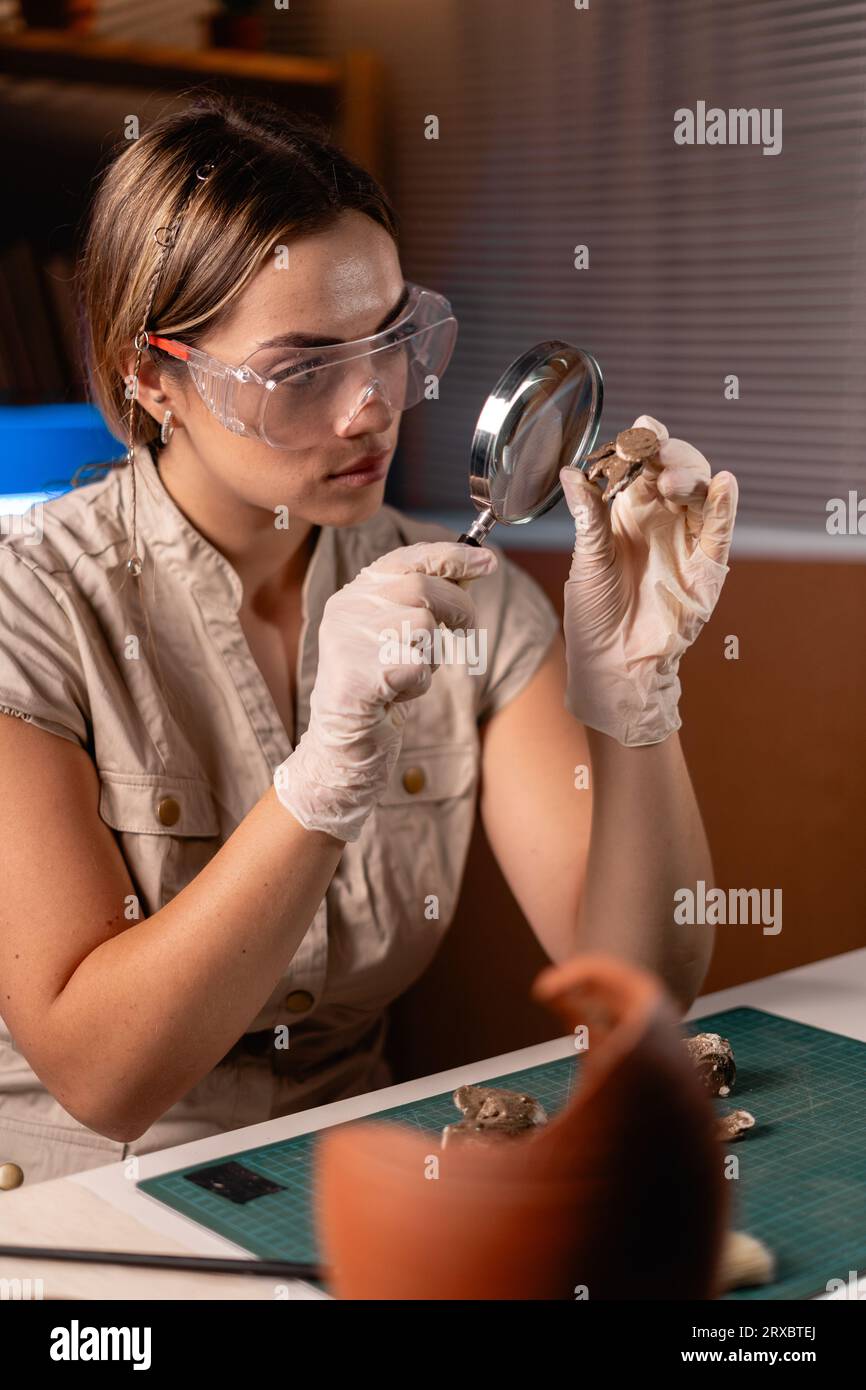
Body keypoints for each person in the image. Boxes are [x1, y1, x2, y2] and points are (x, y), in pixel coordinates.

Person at [0, 96, 737, 1186]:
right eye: (300, 369)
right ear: (151, 376)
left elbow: (632, 978)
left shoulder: (466, 596)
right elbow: (103, 1074)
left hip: (352, 1180)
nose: (370, 407)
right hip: (85, 1202)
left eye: (391, 341)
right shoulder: (32, 607)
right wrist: (323, 776)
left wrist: (633, 692)